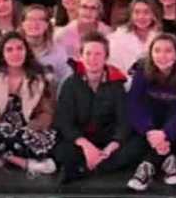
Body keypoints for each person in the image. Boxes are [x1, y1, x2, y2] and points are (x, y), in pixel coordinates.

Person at [52, 32, 142, 183]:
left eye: (98, 54)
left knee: (137, 144)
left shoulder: (116, 84)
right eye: (88, 53)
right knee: (62, 150)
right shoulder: (70, 84)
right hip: (81, 140)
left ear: (106, 58)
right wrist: (86, 146)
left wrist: (111, 147)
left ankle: (85, 169)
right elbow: (65, 122)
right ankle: (98, 166)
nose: (92, 59)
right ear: (80, 56)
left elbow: (124, 121)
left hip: (108, 139)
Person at [0, 32, 59, 176]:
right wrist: (4, 127)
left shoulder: (39, 79)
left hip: (27, 129)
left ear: (27, 51)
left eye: (20, 48)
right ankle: (26, 163)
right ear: (2, 54)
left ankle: (2, 157)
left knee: (47, 141)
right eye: (9, 50)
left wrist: (30, 127)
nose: (15, 53)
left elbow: (46, 113)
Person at [125, 33, 176, 191]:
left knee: (174, 111)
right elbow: (134, 106)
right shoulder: (142, 70)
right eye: (157, 51)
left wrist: (165, 134)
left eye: (168, 51)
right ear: (151, 53)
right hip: (150, 127)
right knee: (130, 149)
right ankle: (170, 161)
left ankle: (146, 167)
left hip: (175, 129)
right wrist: (150, 132)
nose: (162, 56)